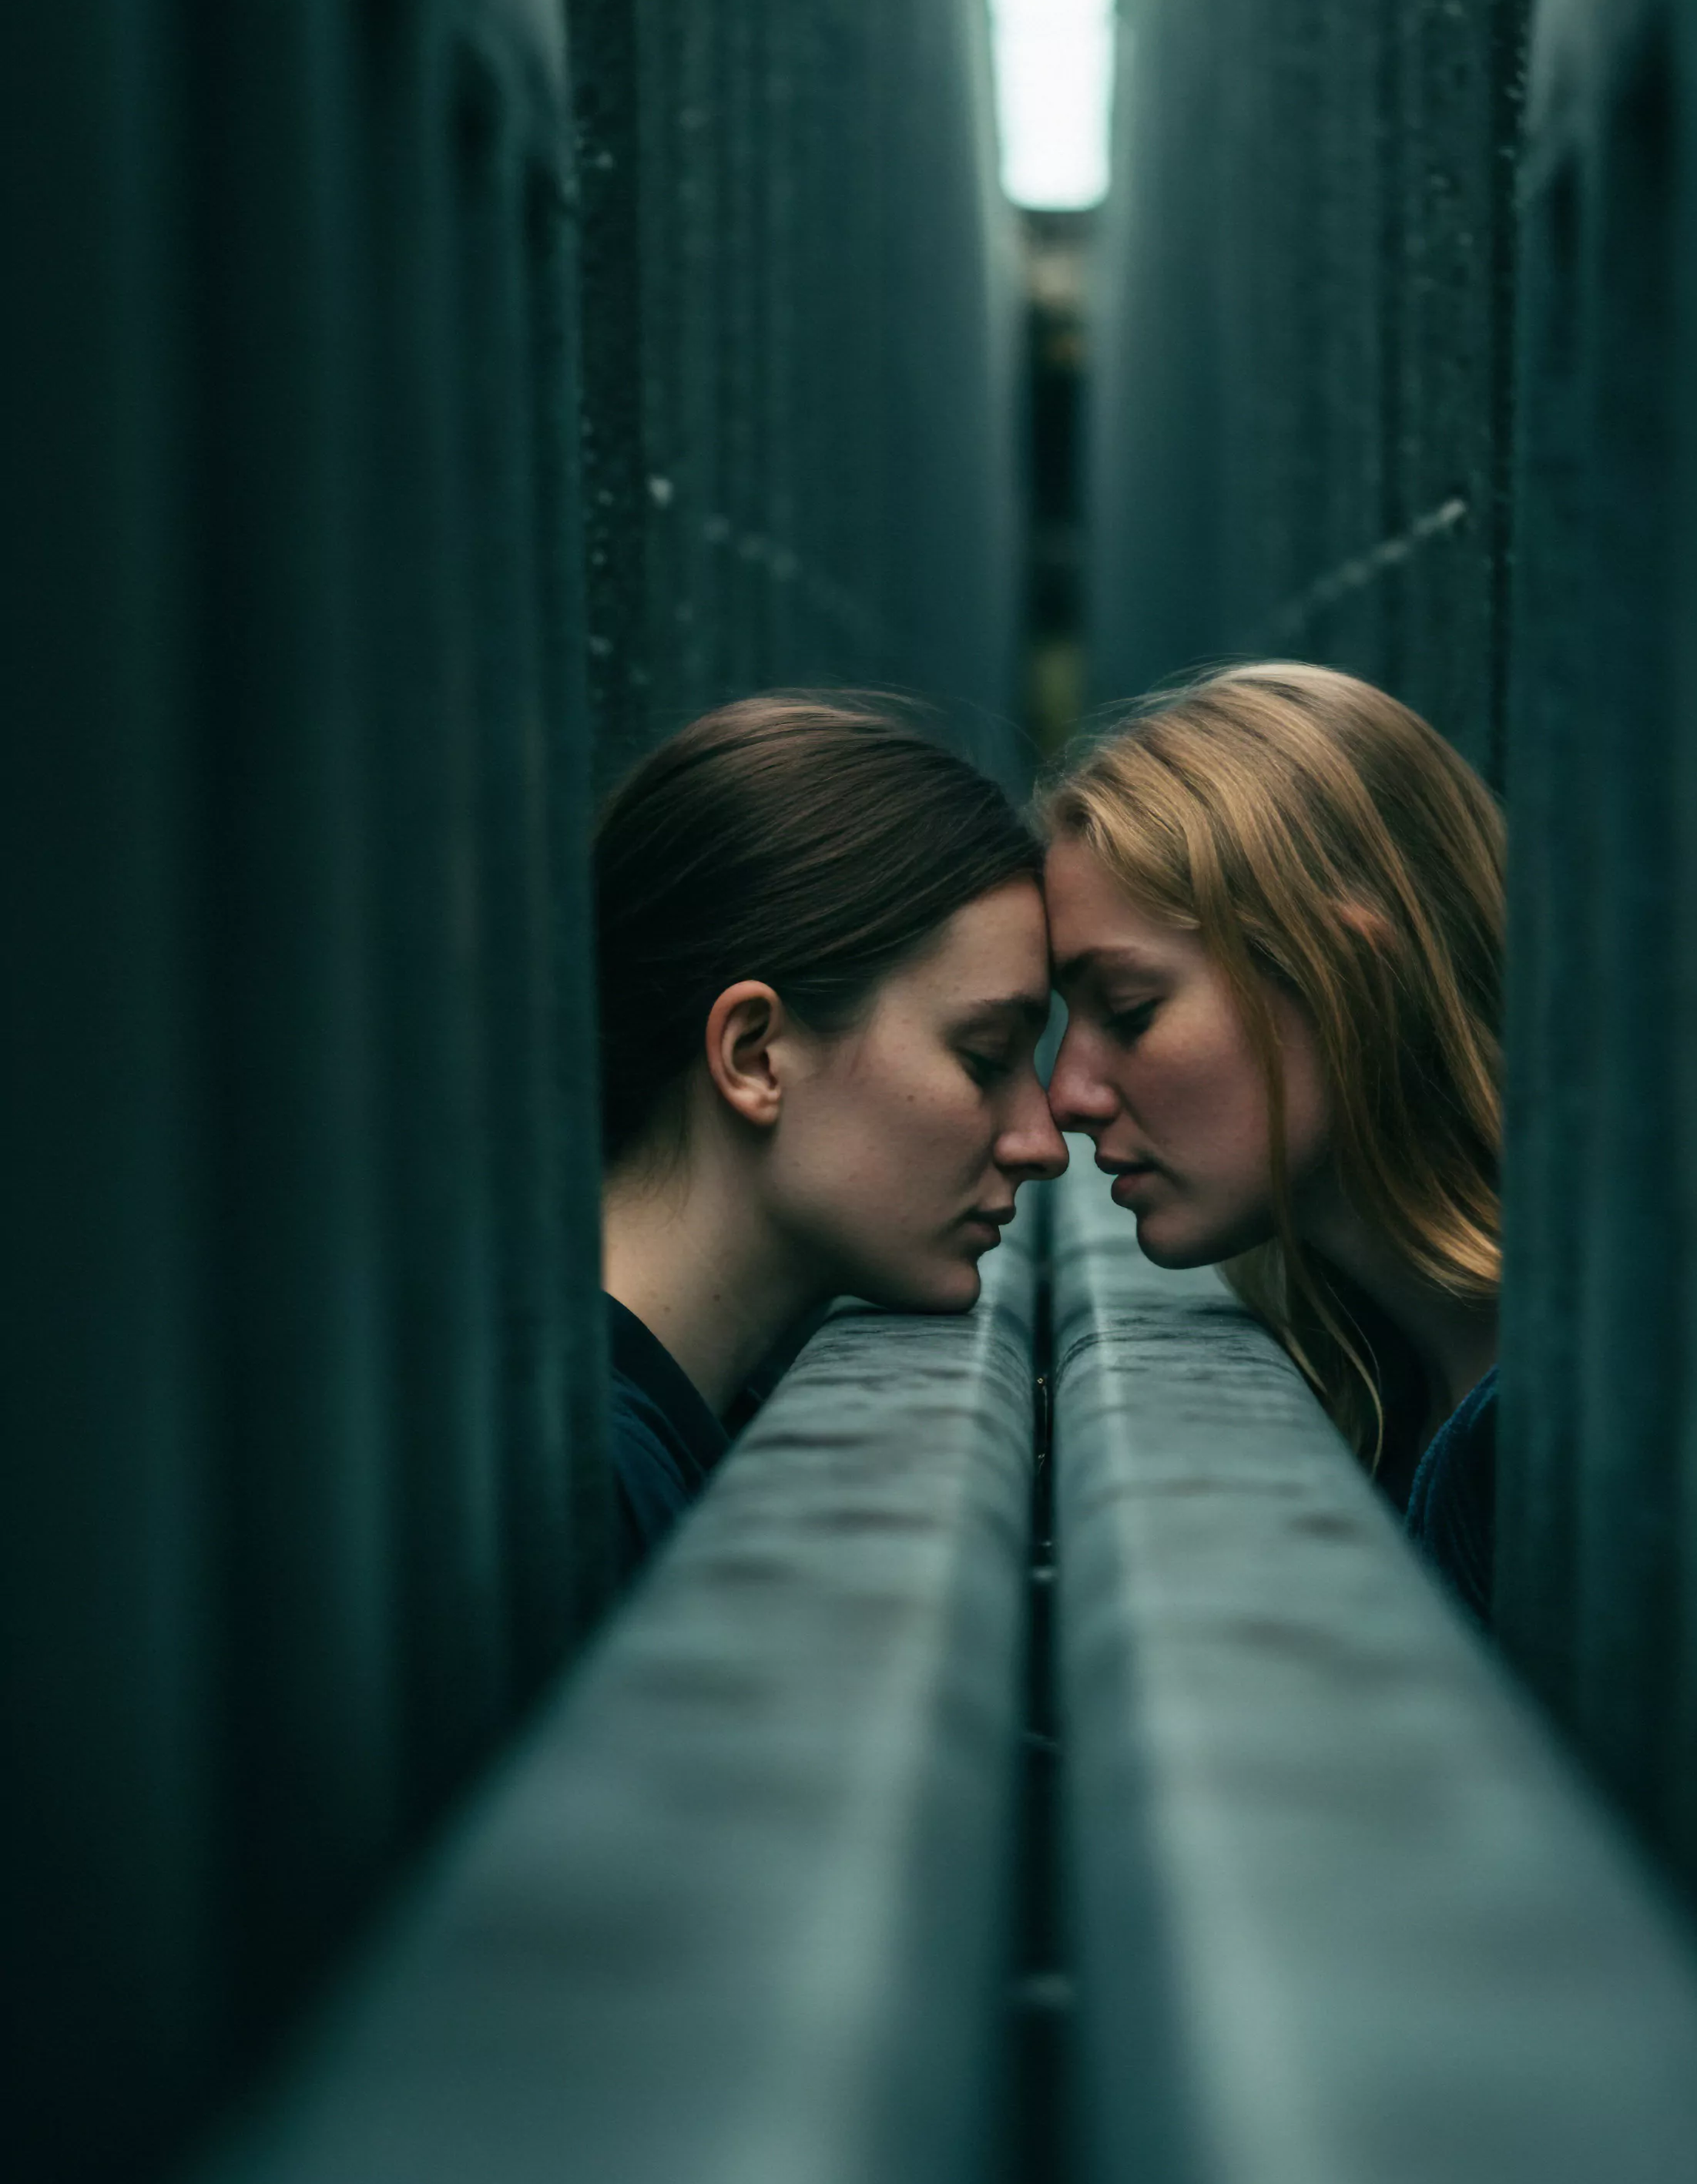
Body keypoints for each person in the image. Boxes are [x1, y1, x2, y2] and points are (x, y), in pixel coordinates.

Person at [1041, 663, 1504, 1622]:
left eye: (1128, 1011)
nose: (1067, 1097)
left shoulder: (1585, 1442)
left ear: (1351, 985)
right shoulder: (1379, 1388)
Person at [594, 694, 1068, 1581]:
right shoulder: (580, 1498)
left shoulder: (630, 1438)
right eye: (985, 1058)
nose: (1045, 1144)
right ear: (756, 1056)